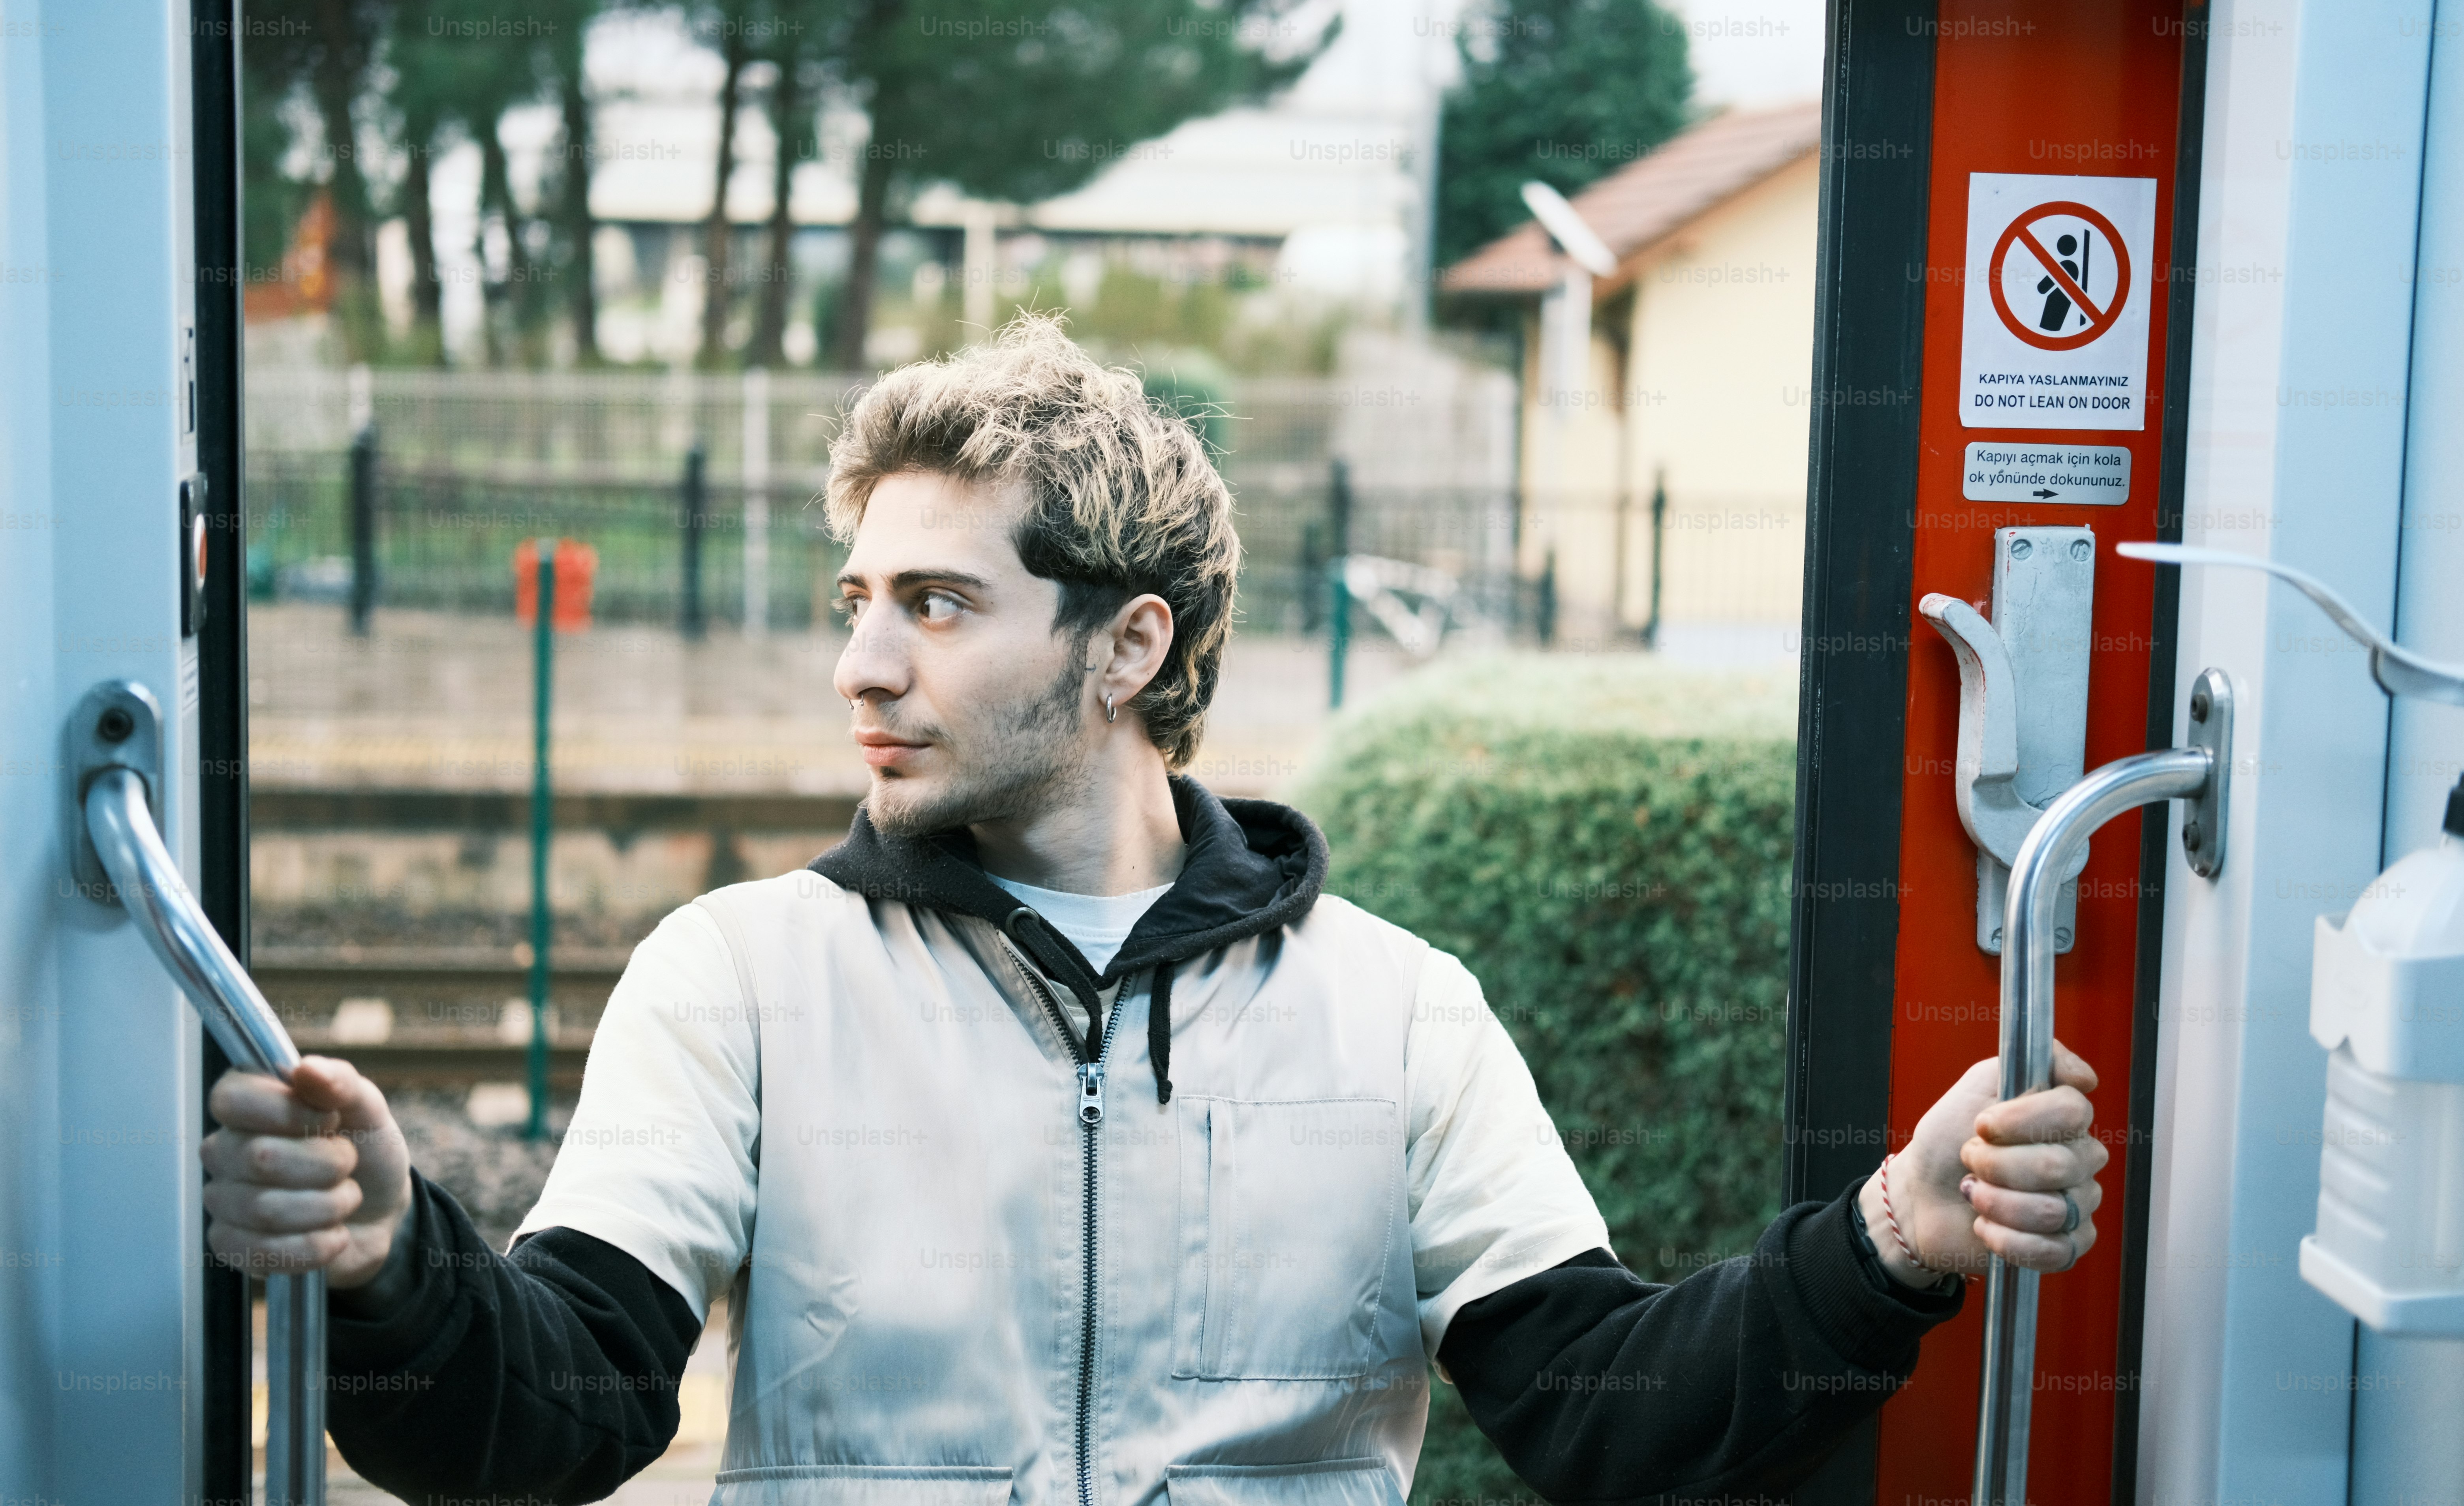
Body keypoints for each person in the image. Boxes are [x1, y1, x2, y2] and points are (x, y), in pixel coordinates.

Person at [202, 317, 2107, 1506]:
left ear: (1127, 645)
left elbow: (1609, 1413)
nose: (863, 661)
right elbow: (546, 1417)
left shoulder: (1397, 1012)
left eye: (937, 604)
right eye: (856, 601)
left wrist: (1891, 1236)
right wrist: (391, 1257)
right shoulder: (743, 976)